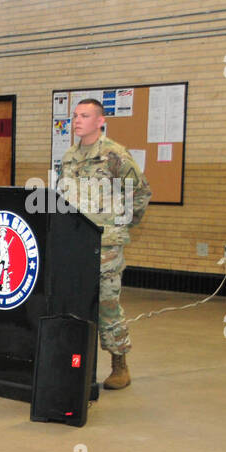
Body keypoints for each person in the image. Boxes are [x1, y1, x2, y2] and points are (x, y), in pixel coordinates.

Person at [57, 98, 151, 390]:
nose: (77, 121)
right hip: (76, 243)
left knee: (107, 305)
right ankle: (71, 363)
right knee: (72, 303)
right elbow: (62, 198)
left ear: (100, 121)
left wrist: (122, 224)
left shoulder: (114, 155)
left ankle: (119, 364)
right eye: (75, 116)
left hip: (106, 246)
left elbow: (140, 193)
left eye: (84, 116)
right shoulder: (69, 157)